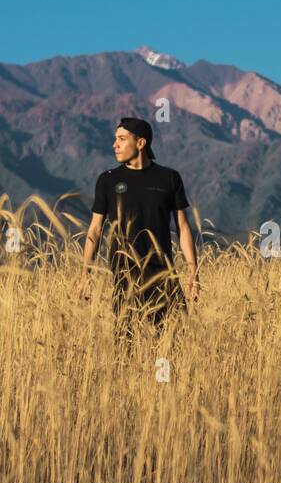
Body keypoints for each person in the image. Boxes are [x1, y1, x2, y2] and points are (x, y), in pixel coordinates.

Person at [79, 117, 198, 344]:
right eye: (115, 139)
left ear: (141, 143)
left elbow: (183, 227)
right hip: (125, 276)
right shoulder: (108, 180)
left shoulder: (169, 178)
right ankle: (128, 381)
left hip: (164, 276)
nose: (115, 145)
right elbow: (94, 230)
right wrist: (86, 273)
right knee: (126, 346)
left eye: (122, 139)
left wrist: (193, 272)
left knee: (175, 344)